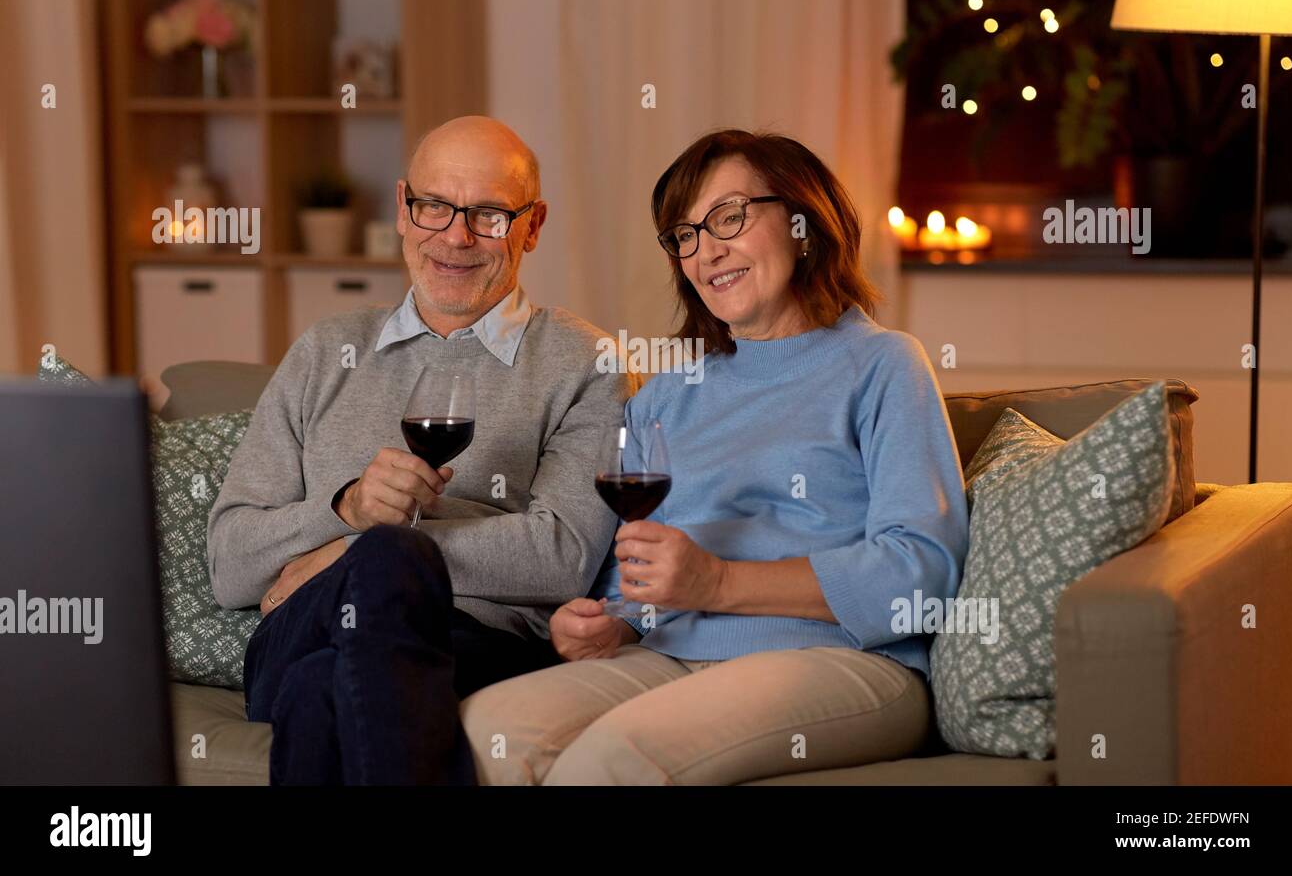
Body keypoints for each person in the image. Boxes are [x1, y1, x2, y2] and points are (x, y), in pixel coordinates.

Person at [461, 129, 970, 785]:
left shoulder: (882, 364)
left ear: (803, 218)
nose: (707, 250)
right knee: (484, 731)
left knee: (611, 758)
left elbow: (919, 573)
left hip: (846, 660)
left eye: (729, 216)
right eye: (686, 234)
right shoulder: (665, 395)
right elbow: (638, 586)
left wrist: (721, 583)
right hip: (674, 655)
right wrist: (608, 626)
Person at [207, 116, 632, 785]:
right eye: (434, 206)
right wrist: (345, 508)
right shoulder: (325, 350)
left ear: (533, 224)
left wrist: (353, 552)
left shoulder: (585, 360)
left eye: (489, 213)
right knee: (359, 596)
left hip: (474, 641)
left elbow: (563, 557)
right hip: (300, 630)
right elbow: (231, 562)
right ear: (404, 208)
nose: (456, 237)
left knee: (322, 688)